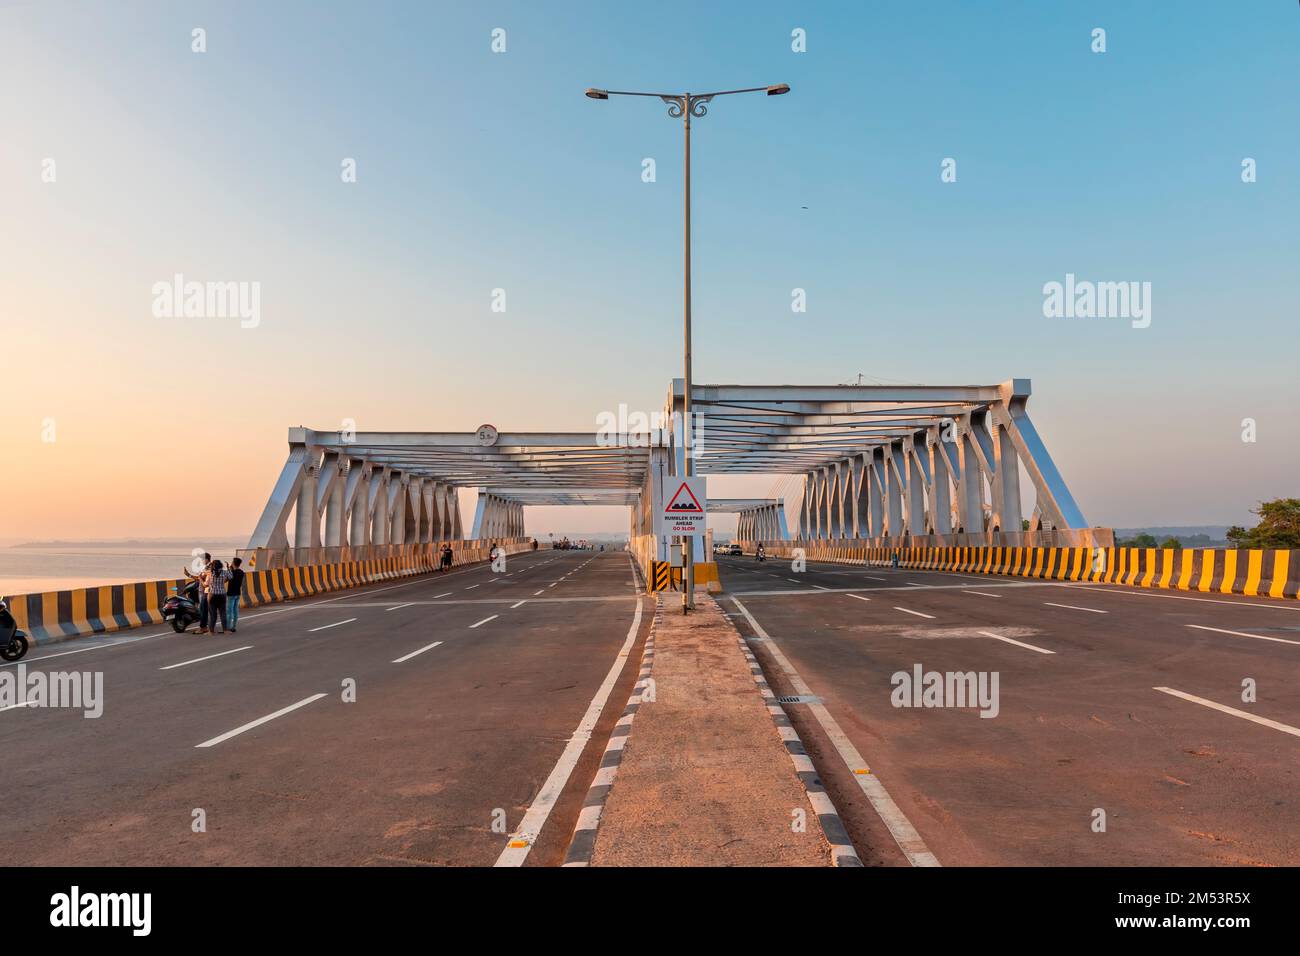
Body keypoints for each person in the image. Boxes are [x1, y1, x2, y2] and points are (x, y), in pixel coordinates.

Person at [200, 559, 232, 635]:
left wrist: (200, 579)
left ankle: (211, 631)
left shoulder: (210, 573)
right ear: (221, 565)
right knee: (223, 613)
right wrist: (228, 568)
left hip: (212, 595)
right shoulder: (225, 572)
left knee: (213, 614)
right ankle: (225, 630)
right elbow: (231, 577)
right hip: (222, 595)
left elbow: (204, 582)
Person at [185, 553, 212, 631]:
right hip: (203, 590)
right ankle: (205, 625)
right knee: (204, 608)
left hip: (204, 590)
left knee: (203, 609)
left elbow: (200, 578)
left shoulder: (208, 567)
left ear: (206, 559)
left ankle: (203, 627)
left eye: (202, 559)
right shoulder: (206, 567)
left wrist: (189, 575)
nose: (202, 561)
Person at [226, 557, 245, 633]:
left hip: (231, 593)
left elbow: (228, 577)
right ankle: (234, 626)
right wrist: (230, 568)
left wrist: (228, 568)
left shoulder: (232, 572)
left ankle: (228, 627)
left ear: (233, 563)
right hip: (237, 593)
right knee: (235, 610)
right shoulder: (241, 572)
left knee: (229, 611)